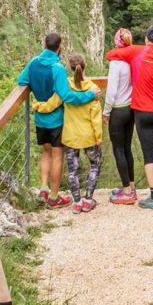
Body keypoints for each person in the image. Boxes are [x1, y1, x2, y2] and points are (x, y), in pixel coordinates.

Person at [105, 24, 153, 210]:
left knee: (149, 154)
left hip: (143, 112)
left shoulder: (137, 52)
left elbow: (111, 55)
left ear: (147, 39)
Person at [16, 32, 98, 209]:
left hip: (40, 119)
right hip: (56, 120)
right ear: (59, 47)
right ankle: (54, 197)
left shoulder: (33, 62)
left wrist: (37, 89)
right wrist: (90, 95)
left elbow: (21, 80)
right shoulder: (57, 68)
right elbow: (67, 96)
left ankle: (43, 188)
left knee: (46, 153)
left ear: (44, 44)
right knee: (57, 156)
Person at [33, 54, 103, 213]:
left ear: (70, 68)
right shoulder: (93, 89)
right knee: (95, 165)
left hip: (70, 136)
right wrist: (98, 137)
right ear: (84, 66)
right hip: (89, 136)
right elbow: (96, 117)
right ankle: (88, 199)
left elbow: (51, 105)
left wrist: (37, 105)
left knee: (73, 170)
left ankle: (77, 203)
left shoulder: (64, 87)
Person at [103, 28, 137, 204]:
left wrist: (106, 111)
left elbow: (111, 91)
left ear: (117, 42)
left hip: (117, 109)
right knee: (127, 147)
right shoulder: (133, 61)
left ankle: (126, 192)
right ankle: (131, 186)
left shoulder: (116, 63)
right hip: (131, 109)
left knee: (118, 149)